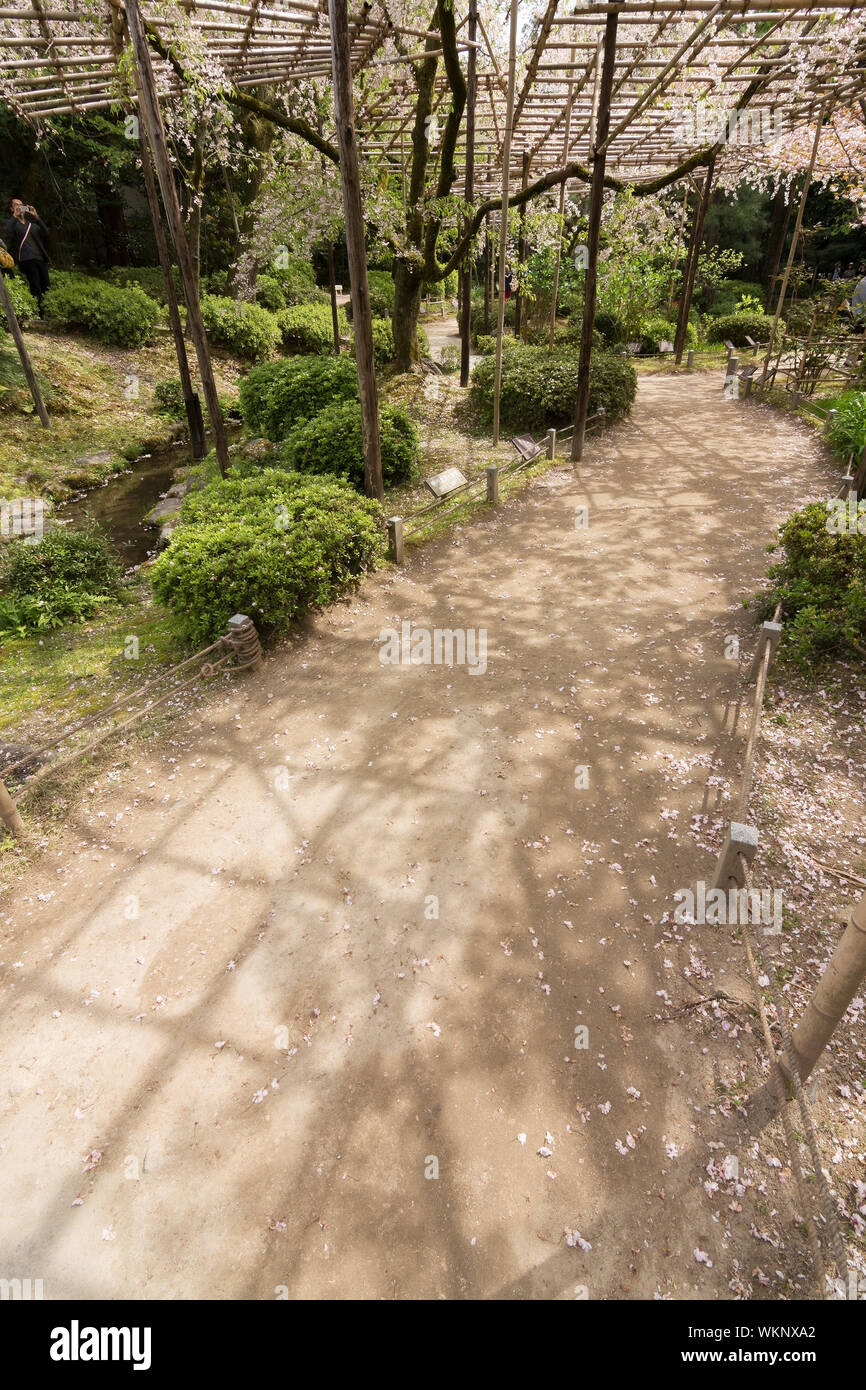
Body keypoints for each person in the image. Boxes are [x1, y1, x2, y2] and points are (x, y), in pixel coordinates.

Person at [3, 198, 50, 315]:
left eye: (21, 205)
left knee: (46, 285)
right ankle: (39, 314)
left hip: (40, 259)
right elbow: (7, 232)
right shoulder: (13, 224)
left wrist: (36, 217)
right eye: (16, 205)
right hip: (26, 260)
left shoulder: (32, 225)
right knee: (35, 286)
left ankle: (47, 311)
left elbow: (46, 232)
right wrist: (15, 216)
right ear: (12, 209)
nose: (19, 207)